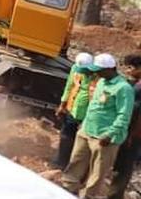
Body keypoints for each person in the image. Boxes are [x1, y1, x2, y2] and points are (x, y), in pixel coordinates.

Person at [61, 53, 135, 197]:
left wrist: (110, 134)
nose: (96, 73)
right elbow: (93, 105)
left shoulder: (123, 88)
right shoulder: (101, 82)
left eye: (99, 70)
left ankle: (88, 195)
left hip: (104, 137)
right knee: (76, 162)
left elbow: (124, 115)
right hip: (87, 130)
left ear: (110, 69)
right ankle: (67, 189)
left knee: (97, 171)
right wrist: (84, 125)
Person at [54, 52, 100, 170]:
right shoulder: (75, 68)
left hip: (87, 114)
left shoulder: (98, 77)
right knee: (66, 136)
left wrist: (86, 120)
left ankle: (74, 167)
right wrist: (62, 104)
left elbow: (96, 99)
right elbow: (69, 86)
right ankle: (60, 162)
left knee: (80, 144)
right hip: (72, 108)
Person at [108, 54, 141, 199]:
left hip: (134, 133)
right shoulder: (135, 83)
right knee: (120, 162)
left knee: (124, 165)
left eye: (131, 67)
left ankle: (115, 195)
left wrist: (132, 135)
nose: (128, 70)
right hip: (128, 130)